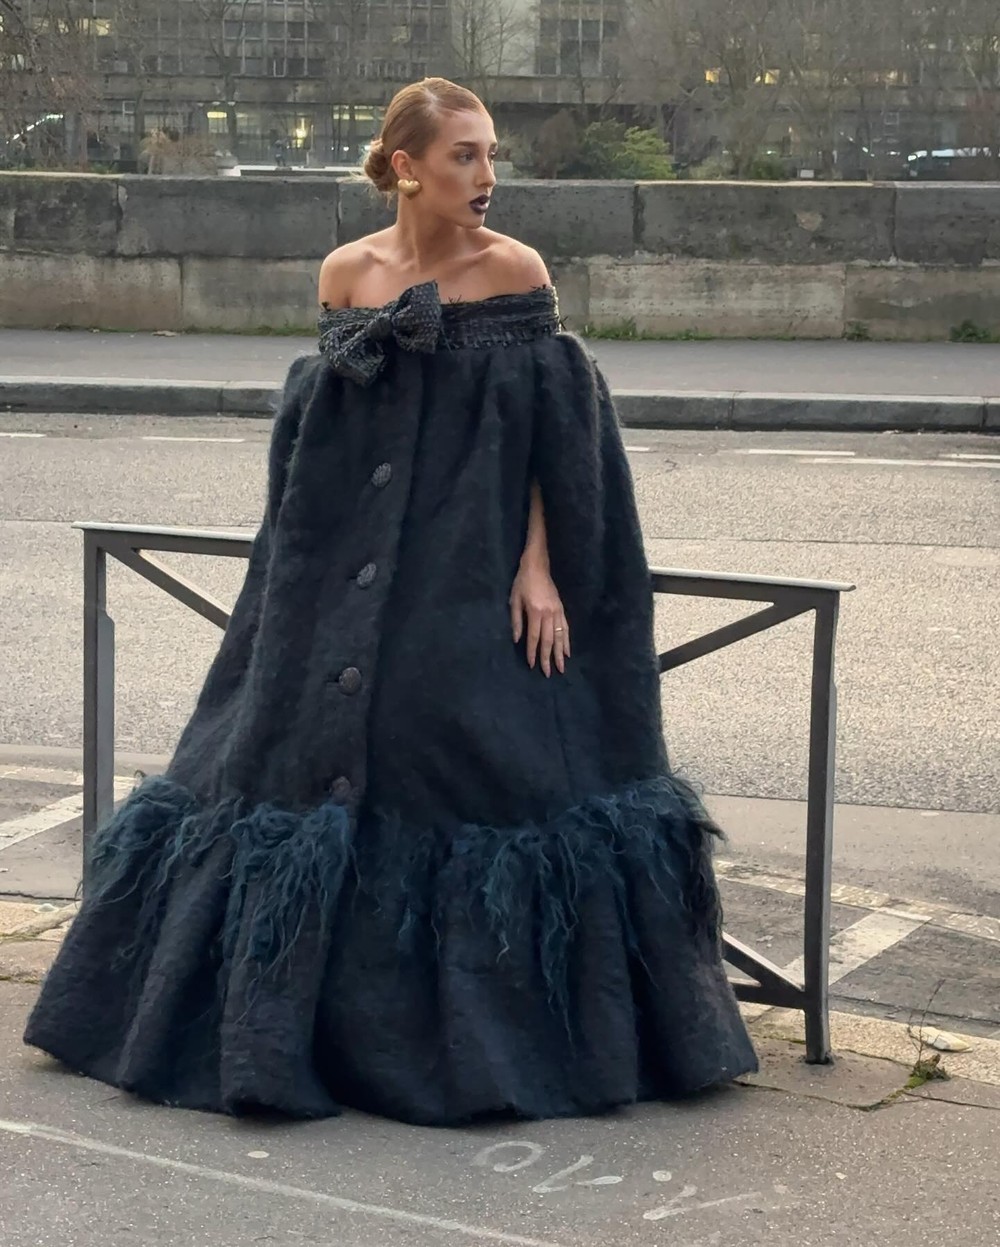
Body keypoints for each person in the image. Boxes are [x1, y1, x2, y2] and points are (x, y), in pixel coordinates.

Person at [24, 77, 756, 1124]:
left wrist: (537, 564)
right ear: (405, 163)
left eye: (489, 153)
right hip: (333, 571)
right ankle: (282, 1028)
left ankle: (472, 1042)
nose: (487, 176)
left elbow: (562, 436)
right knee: (271, 750)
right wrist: (292, 580)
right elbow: (316, 441)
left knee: (451, 745)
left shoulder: (515, 272)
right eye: (464, 154)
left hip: (468, 566)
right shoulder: (346, 272)